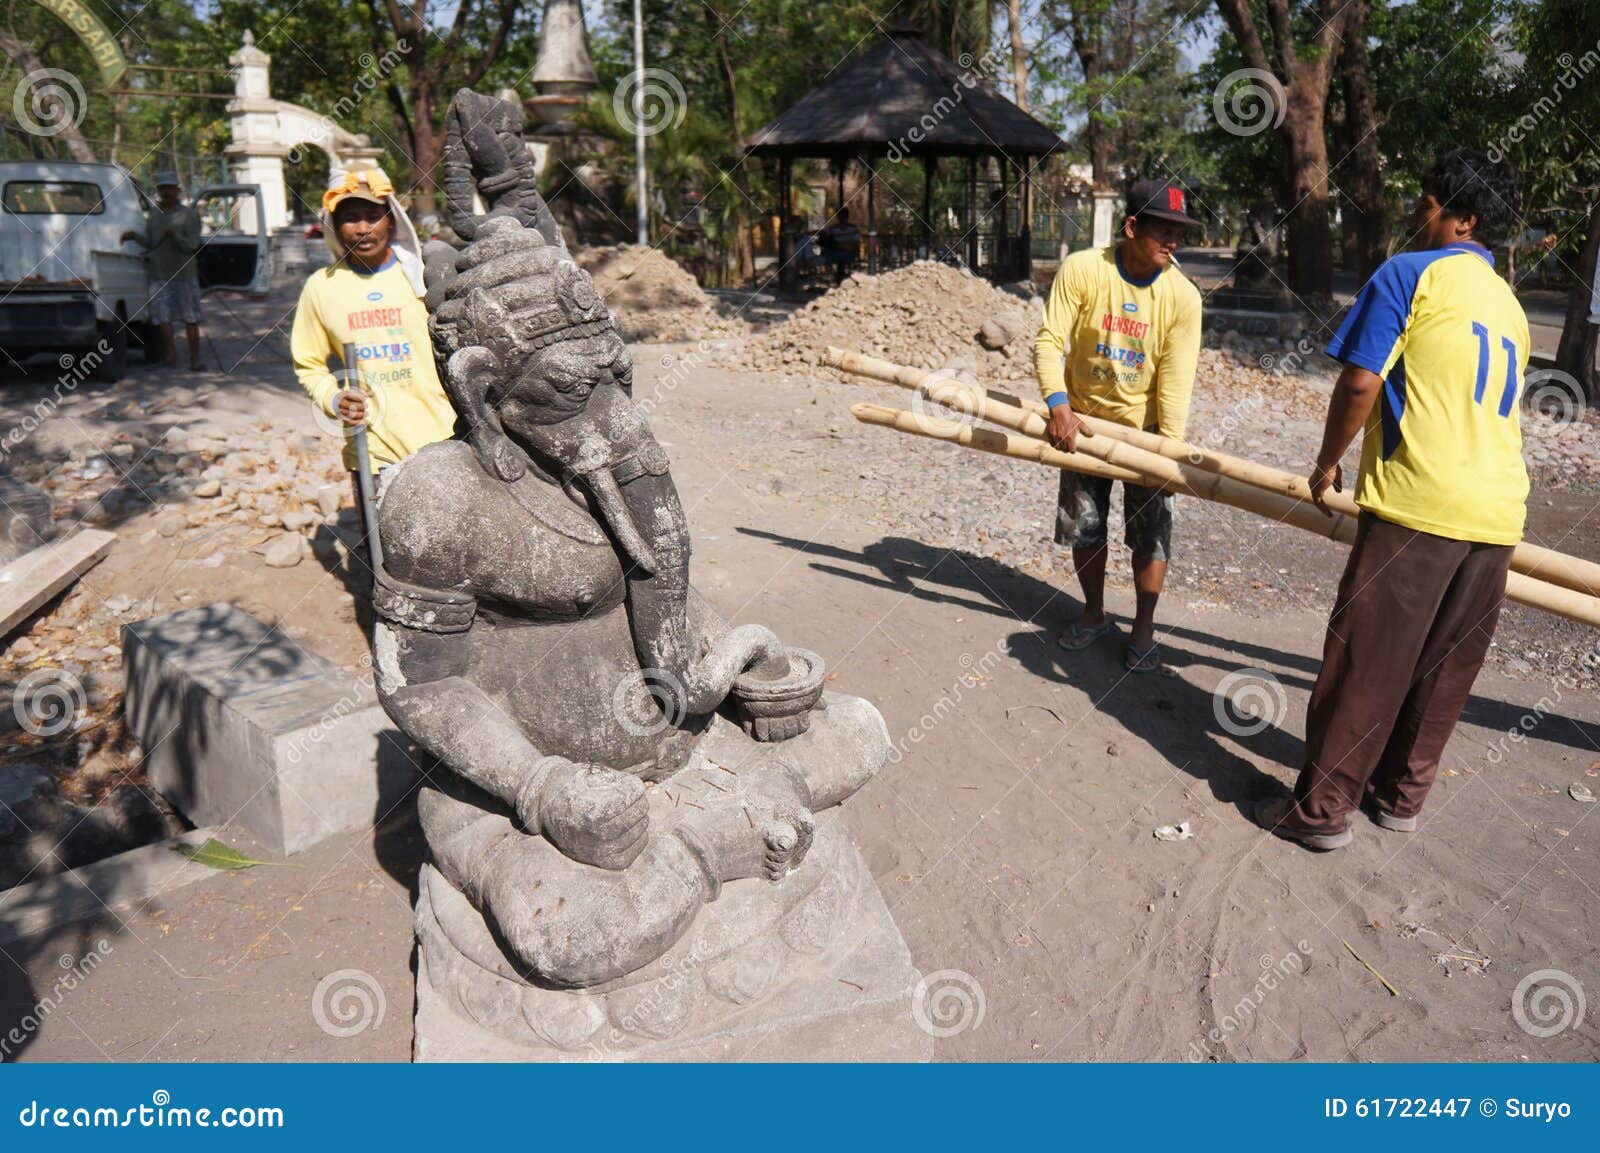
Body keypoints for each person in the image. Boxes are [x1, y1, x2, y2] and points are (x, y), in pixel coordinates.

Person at [1256, 149, 1528, 851]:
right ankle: (1398, 801)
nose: (1416, 212)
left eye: (1429, 202)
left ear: (1460, 218)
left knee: (1366, 662)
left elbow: (1358, 382)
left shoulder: (1410, 274)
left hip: (1421, 504)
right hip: (1498, 515)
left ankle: (1320, 812)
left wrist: (1325, 462)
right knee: (1442, 671)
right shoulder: (1510, 305)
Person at [1033, 179, 1202, 672]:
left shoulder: (1182, 298)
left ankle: (1143, 625)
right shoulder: (1084, 270)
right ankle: (1093, 613)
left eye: (1179, 233)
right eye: (1162, 231)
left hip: (1142, 432)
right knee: (1084, 527)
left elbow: (1175, 383)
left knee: (1151, 533)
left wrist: (1167, 452)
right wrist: (1058, 406)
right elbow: (1049, 341)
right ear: (1131, 227)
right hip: (1081, 424)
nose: (1172, 243)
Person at [290, 167, 458, 555]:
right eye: (349, 218)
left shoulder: (423, 278)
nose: (362, 228)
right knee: (390, 558)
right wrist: (335, 399)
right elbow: (309, 365)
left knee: (451, 554)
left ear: (392, 218)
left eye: (372, 215)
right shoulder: (321, 288)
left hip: (446, 441)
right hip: (375, 453)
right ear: (334, 225)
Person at [122, 171, 204, 371]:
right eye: (163, 189)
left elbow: (192, 245)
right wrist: (133, 236)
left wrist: (175, 234)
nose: (167, 193)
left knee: (190, 318)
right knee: (163, 318)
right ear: (158, 191)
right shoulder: (154, 215)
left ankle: (195, 359)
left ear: (177, 191)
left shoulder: (189, 215)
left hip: (184, 274)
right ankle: (171, 355)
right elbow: (152, 243)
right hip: (159, 274)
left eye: (170, 189)